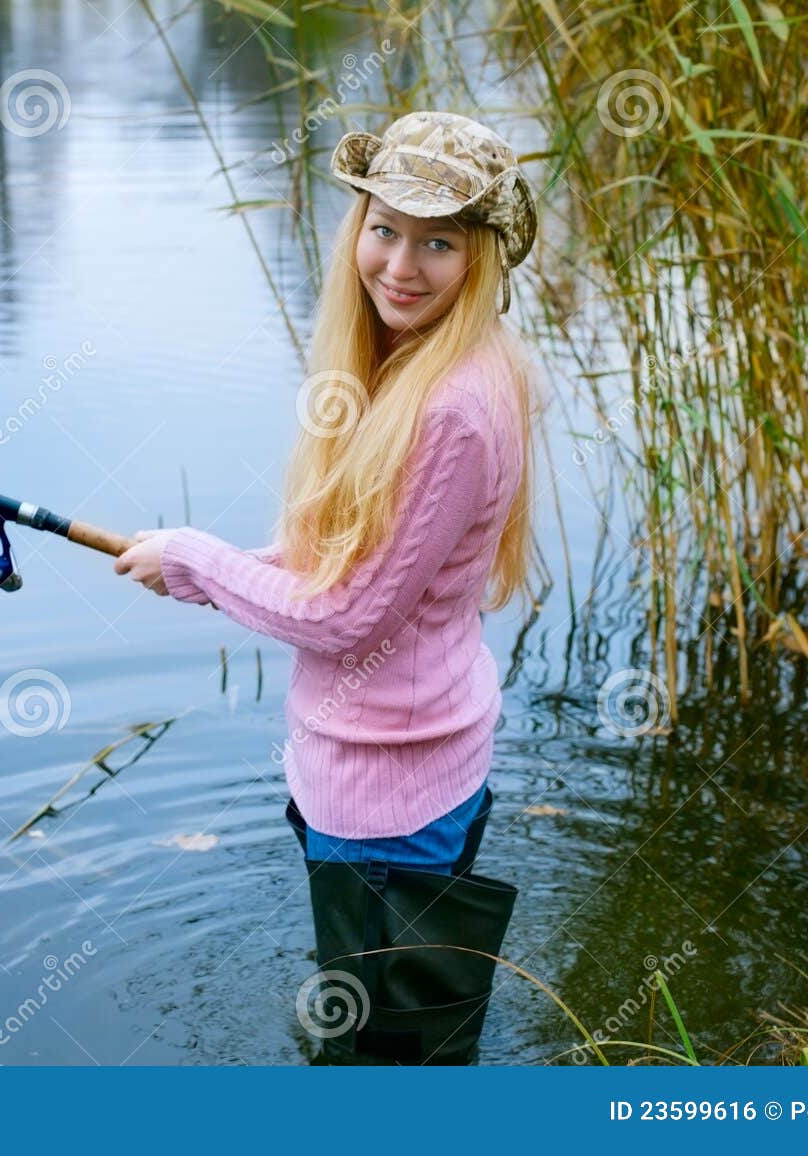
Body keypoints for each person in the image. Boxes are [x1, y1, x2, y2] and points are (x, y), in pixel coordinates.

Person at [115, 111, 537, 1064]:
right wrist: (199, 568)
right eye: (385, 228)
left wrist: (196, 555)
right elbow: (348, 573)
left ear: (481, 259)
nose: (400, 264)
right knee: (405, 1034)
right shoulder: (427, 367)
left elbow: (347, 617)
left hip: (386, 801)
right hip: (420, 768)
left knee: (376, 1062)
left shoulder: (453, 410)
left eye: (440, 242)